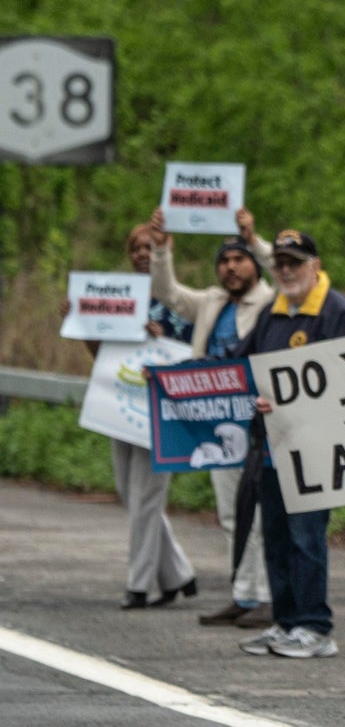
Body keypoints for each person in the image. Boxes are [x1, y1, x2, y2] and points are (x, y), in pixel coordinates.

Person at [147, 206, 276, 628]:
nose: (231, 267)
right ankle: (243, 592)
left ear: (254, 265)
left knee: (261, 512)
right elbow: (167, 293)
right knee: (230, 512)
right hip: (219, 422)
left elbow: (291, 270)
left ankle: (267, 595)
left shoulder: (273, 301)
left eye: (239, 259)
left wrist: (253, 238)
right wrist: (163, 249)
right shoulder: (211, 302)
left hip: (261, 423)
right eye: (224, 261)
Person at [233, 228, 345, 659]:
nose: (286, 270)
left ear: (315, 266)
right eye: (280, 263)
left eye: (294, 262)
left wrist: (286, 400)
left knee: (307, 538)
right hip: (271, 447)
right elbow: (242, 361)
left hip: (313, 447)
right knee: (276, 536)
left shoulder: (334, 309)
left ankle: (315, 626)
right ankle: (285, 621)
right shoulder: (273, 310)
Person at [65, 219, 198, 610]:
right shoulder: (120, 297)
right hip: (122, 404)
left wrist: (161, 338)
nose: (141, 254)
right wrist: (82, 319)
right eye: (135, 248)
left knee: (148, 497)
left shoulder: (179, 299)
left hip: (162, 408)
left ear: (164, 247)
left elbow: (194, 350)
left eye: (148, 247)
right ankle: (178, 574)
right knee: (130, 492)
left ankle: (138, 584)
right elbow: (102, 355)